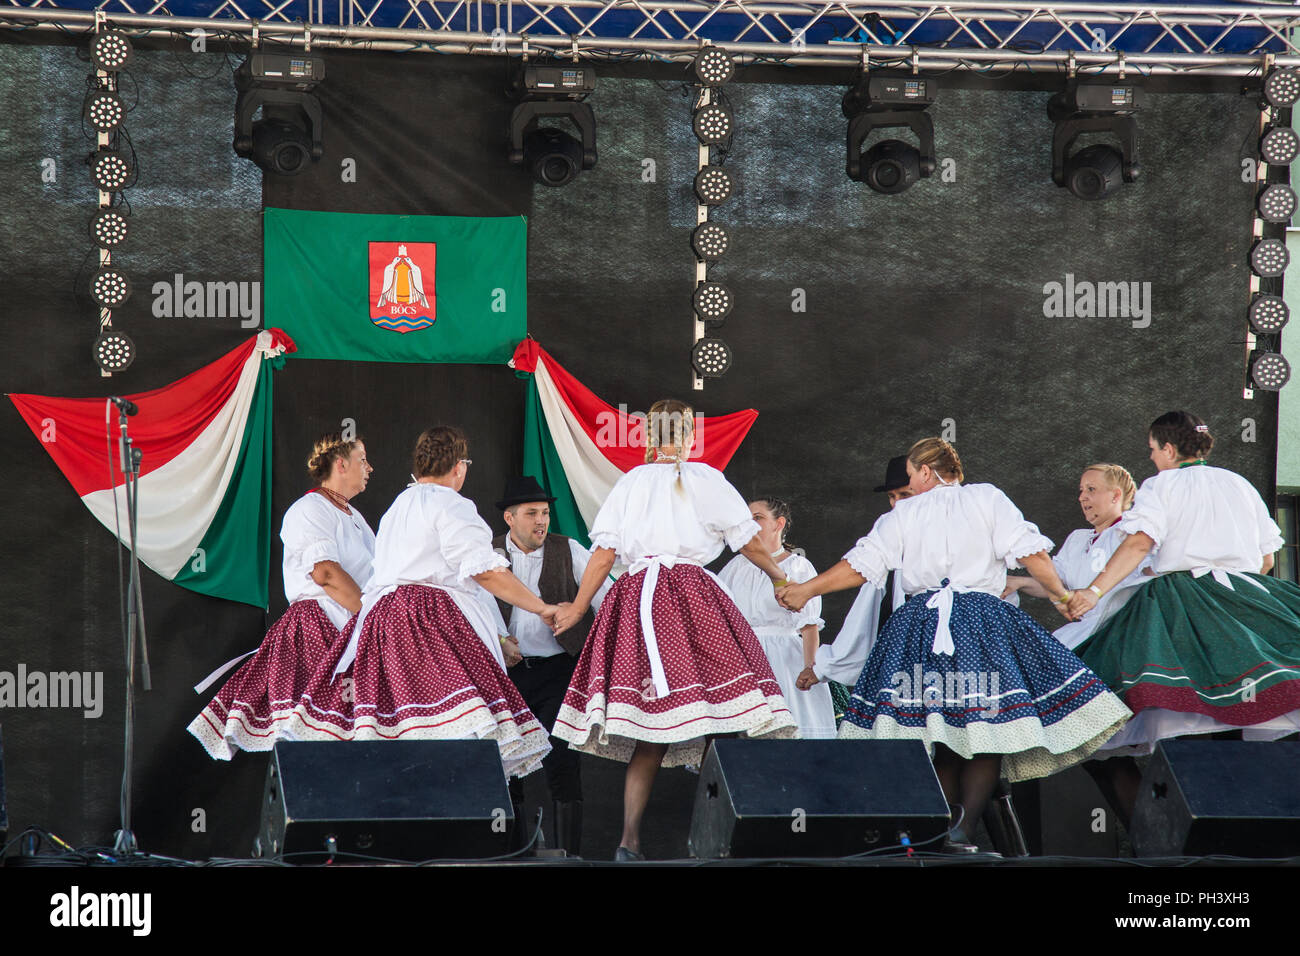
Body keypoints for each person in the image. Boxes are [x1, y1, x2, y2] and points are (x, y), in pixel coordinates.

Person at [778, 437, 1130, 849]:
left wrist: (806, 590)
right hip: (981, 623)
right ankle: (959, 828)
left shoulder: (908, 512)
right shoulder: (987, 499)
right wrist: (1062, 597)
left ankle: (945, 830)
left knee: (941, 728)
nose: (909, 486)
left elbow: (861, 564)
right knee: (986, 723)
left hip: (923, 625)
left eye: (910, 476)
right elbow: (1031, 553)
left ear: (926, 472)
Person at [549, 399, 797, 860]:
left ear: (647, 436)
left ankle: (629, 841)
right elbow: (747, 542)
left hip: (639, 596)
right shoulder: (706, 478)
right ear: (688, 435)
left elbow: (604, 554)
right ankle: (711, 839)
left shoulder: (631, 482)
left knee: (651, 729)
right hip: (691, 596)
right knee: (723, 720)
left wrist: (581, 607)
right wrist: (782, 579)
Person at [283, 426, 561, 780]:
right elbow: (483, 573)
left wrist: (499, 635)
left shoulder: (399, 506)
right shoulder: (450, 504)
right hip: (424, 624)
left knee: (408, 731)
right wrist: (542, 607)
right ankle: (450, 810)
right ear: (459, 467)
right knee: (457, 730)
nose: (369, 468)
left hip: (382, 625)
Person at [1066, 412, 1300, 822]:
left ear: (1169, 449)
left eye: (1153, 450)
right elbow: (1266, 558)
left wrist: (1095, 589)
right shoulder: (1238, 483)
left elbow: (1140, 542)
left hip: (1183, 599)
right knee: (1244, 711)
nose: (1153, 458)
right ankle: (1244, 831)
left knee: (1182, 709)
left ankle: (1181, 835)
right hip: (1248, 596)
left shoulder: (1164, 484)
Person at [188, 433, 376, 759]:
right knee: (320, 737)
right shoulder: (308, 509)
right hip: (319, 629)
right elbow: (325, 574)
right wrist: (375, 619)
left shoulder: (356, 518)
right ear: (341, 464)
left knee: (356, 734)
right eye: (362, 460)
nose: (370, 468)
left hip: (356, 626)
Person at [492, 475, 611, 856]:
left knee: (562, 757)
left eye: (544, 512)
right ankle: (511, 853)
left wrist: (583, 624)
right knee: (506, 761)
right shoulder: (487, 555)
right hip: (504, 676)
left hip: (559, 671)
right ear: (510, 518)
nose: (541, 520)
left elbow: (607, 596)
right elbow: (467, 608)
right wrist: (498, 640)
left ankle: (570, 855)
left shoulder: (568, 549)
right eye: (531, 513)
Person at [719, 497, 835, 738]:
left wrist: (809, 667)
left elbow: (809, 625)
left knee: (789, 731)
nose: (750, 525)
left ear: (778, 523)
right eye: (746, 520)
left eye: (758, 518)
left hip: (783, 661)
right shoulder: (735, 567)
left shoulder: (798, 566)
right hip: (743, 661)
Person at [1004, 463, 1152, 650]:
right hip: (1083, 633)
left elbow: (1151, 574)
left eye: (1091, 489)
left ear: (1115, 495)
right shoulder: (1077, 539)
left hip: (1121, 636)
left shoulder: (1133, 535)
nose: (1082, 497)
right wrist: (1019, 582)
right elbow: (1056, 583)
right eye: (1082, 491)